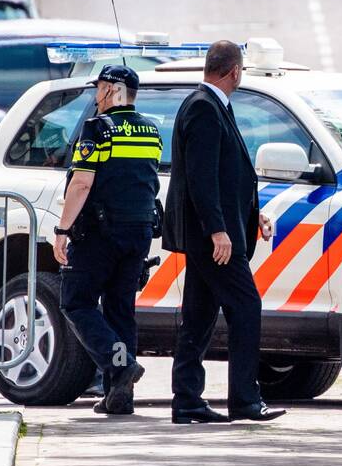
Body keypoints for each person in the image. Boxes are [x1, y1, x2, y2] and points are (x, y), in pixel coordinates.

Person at [163, 41, 285, 424]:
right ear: (234, 71)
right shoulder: (203, 107)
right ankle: (245, 400)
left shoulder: (213, 106)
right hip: (212, 239)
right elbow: (201, 179)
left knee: (199, 316)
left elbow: (227, 176)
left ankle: (187, 401)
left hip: (217, 234)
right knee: (247, 306)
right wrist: (218, 230)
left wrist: (254, 215)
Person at [53, 65, 161, 416]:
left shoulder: (99, 129)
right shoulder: (151, 130)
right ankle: (120, 396)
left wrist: (62, 230)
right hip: (139, 234)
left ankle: (120, 363)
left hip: (101, 234)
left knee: (76, 303)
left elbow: (82, 183)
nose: (95, 96)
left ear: (113, 90)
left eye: (99, 88)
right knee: (120, 308)